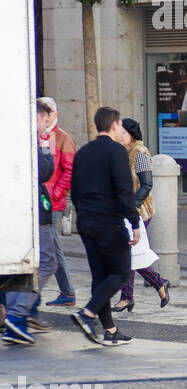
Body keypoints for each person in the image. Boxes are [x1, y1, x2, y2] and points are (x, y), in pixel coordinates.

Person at [68, 107, 140, 346]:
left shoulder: (83, 152)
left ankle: (110, 330)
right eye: (120, 125)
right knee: (120, 273)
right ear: (113, 125)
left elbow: (75, 190)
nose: (122, 130)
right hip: (108, 221)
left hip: (86, 222)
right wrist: (135, 221)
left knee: (100, 277)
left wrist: (83, 214)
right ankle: (86, 313)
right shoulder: (117, 152)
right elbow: (124, 191)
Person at [2, 124, 56, 344]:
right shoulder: (26, 136)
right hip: (30, 210)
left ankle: (16, 317)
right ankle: (17, 315)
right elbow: (44, 171)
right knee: (47, 261)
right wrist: (45, 148)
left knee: (18, 262)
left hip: (17, 209)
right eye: (50, 115)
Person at [112, 118, 171, 312]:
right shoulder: (123, 152)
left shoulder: (140, 153)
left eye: (123, 132)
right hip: (126, 210)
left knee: (131, 254)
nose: (119, 135)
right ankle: (158, 284)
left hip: (139, 211)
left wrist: (133, 207)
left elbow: (147, 184)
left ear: (131, 134)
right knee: (131, 253)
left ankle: (130, 296)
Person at [36, 97, 78, 307]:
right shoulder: (38, 136)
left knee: (51, 247)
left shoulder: (62, 138)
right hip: (42, 200)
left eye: (48, 111)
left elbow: (69, 171)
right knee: (50, 247)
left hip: (51, 201)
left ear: (55, 114)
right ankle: (67, 291)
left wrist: (56, 194)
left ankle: (68, 292)